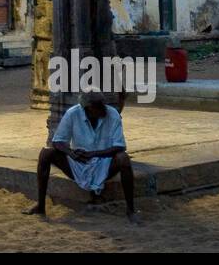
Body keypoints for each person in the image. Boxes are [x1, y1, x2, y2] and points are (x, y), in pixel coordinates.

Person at [27, 92, 137, 221]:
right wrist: (71, 153)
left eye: (104, 105)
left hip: (104, 164)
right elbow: (57, 141)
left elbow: (120, 146)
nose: (104, 109)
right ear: (88, 108)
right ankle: (40, 205)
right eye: (99, 107)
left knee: (123, 158)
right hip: (79, 164)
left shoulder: (112, 114)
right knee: (46, 153)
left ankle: (131, 210)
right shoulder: (73, 113)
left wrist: (93, 154)